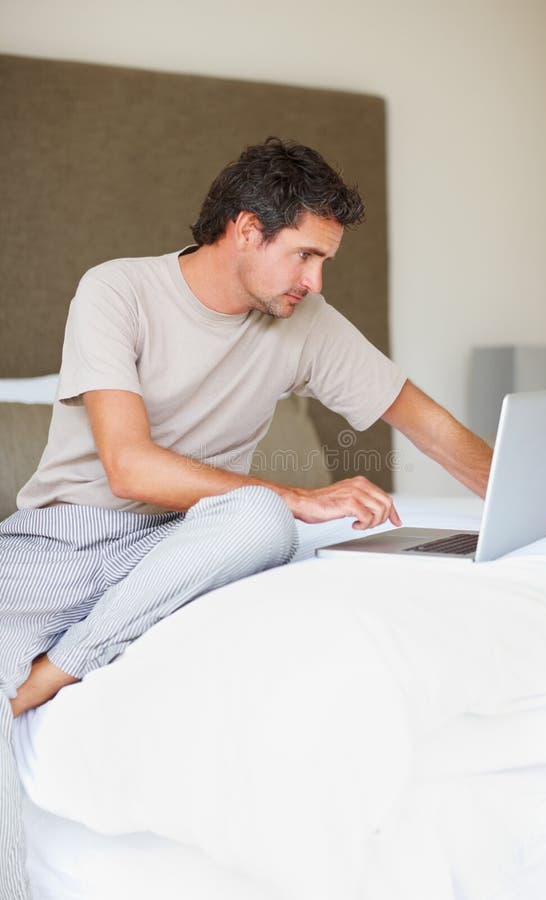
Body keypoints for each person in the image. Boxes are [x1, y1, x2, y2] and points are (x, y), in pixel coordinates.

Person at [0, 137, 493, 898]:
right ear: (245, 229)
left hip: (185, 545)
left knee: (258, 522)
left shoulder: (306, 320)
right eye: (304, 256)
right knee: (273, 508)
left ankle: (53, 671)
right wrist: (300, 495)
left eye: (324, 261)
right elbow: (128, 465)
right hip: (66, 539)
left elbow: (423, 422)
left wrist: (520, 496)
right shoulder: (118, 291)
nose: (315, 280)